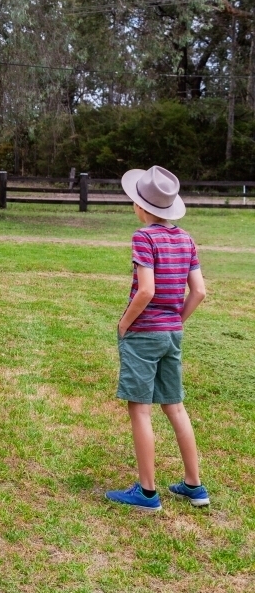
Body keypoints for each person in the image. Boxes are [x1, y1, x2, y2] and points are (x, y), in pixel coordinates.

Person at [105, 166, 208, 512]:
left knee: (141, 410)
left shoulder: (143, 238)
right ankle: (194, 486)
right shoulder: (186, 239)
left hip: (144, 333)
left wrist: (125, 322)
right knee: (175, 407)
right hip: (171, 334)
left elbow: (146, 289)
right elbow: (199, 292)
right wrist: (175, 321)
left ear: (140, 206)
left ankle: (147, 493)